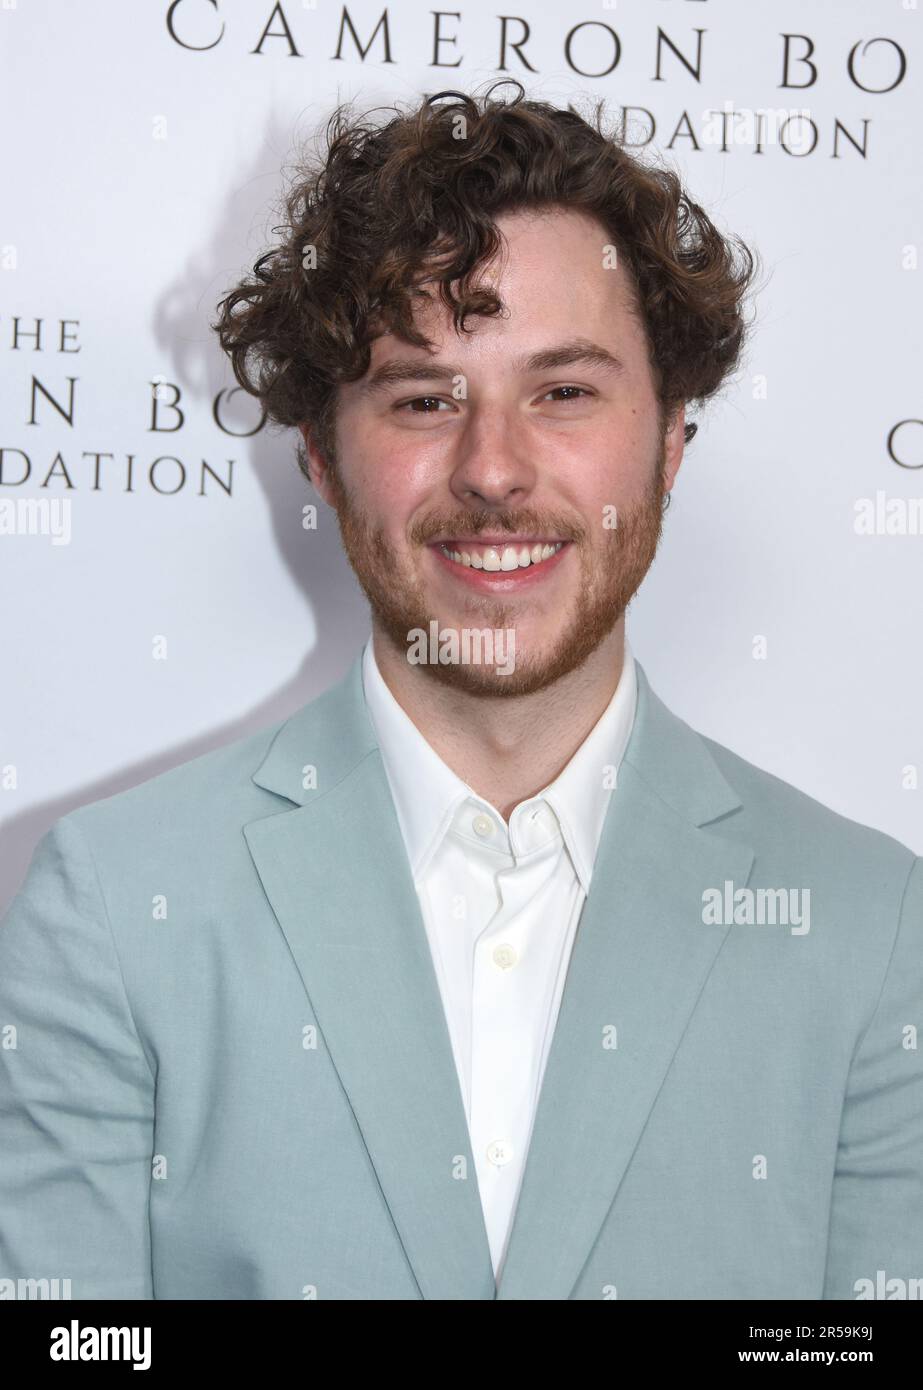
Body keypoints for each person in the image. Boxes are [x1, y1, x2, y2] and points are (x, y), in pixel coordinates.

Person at [1, 82, 920, 1302]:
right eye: (424, 398)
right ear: (322, 455)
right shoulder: (115, 907)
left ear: (670, 442)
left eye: (564, 391)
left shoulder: (868, 929)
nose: (492, 471)